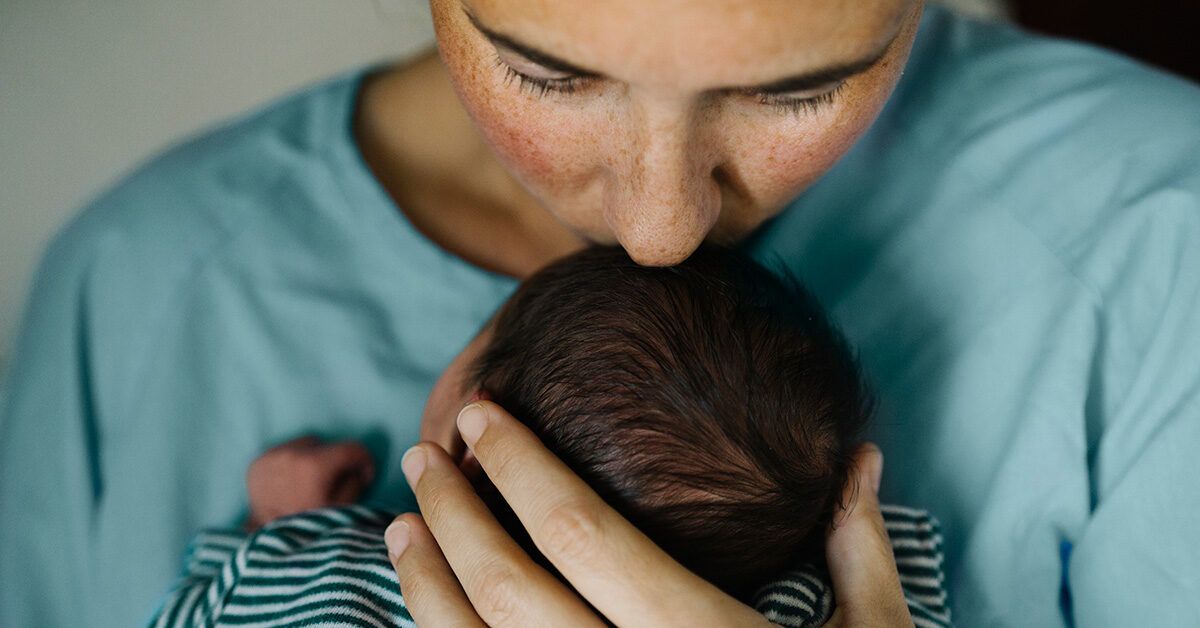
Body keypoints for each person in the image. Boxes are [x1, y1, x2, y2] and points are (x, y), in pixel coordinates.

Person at [1, 0, 1197, 625]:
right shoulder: (137, 285)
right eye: (548, 73)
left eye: (800, 89)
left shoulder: (1161, 235)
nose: (661, 229)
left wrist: (282, 523)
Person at [151, 245, 950, 627]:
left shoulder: (327, 577)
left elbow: (185, 615)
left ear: (475, 442)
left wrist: (271, 523)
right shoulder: (829, 602)